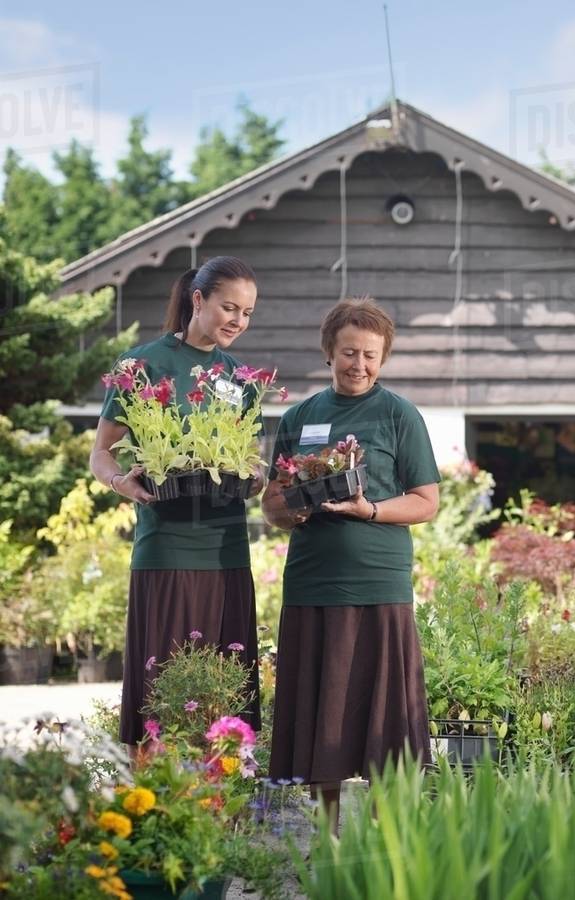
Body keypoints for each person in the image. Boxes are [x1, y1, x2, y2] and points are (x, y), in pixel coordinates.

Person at [262, 296, 440, 826]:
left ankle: (386, 838)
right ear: (328, 352)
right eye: (348, 352)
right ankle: (327, 835)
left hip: (378, 587)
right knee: (323, 713)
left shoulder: (398, 415)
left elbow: (426, 501)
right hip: (313, 586)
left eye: (369, 355)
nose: (358, 364)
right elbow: (272, 504)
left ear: (382, 358)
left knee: (383, 719)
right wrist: (295, 507)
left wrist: (370, 510)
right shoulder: (301, 416)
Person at [89, 256, 263, 749]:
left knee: (223, 695)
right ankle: (151, 807)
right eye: (229, 307)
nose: (238, 320)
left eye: (247, 313)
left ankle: (222, 807)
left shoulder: (241, 378)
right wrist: (121, 481)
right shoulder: (142, 364)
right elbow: (100, 452)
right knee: (158, 692)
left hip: (227, 549)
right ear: (197, 300)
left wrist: (256, 474)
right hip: (165, 547)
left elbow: (249, 456)